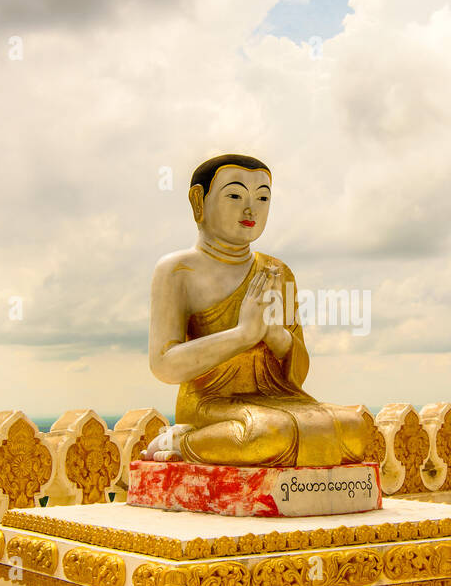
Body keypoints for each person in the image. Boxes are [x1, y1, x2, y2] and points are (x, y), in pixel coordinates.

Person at [146, 153, 369, 467]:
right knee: (266, 435)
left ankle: (207, 444)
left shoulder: (277, 270)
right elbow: (164, 365)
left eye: (263, 198)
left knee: (354, 429)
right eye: (235, 195)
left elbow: (298, 372)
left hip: (274, 400)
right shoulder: (178, 270)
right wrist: (242, 336)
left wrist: (276, 337)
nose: (251, 209)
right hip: (210, 405)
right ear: (199, 201)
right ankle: (182, 440)